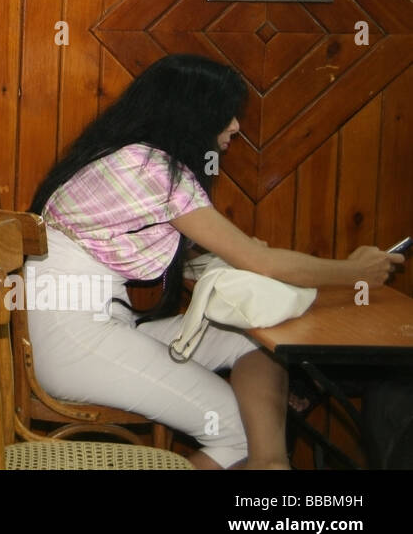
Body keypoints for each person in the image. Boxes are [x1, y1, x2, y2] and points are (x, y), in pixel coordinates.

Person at [23, 54, 401, 469]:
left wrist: (238, 250)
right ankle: (265, 462)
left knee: (256, 339)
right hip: (78, 343)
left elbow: (140, 239)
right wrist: (355, 272)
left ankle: (270, 463)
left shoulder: (123, 155)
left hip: (78, 329)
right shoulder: (155, 172)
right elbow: (263, 262)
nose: (235, 127)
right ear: (191, 114)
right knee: (236, 432)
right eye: (226, 114)